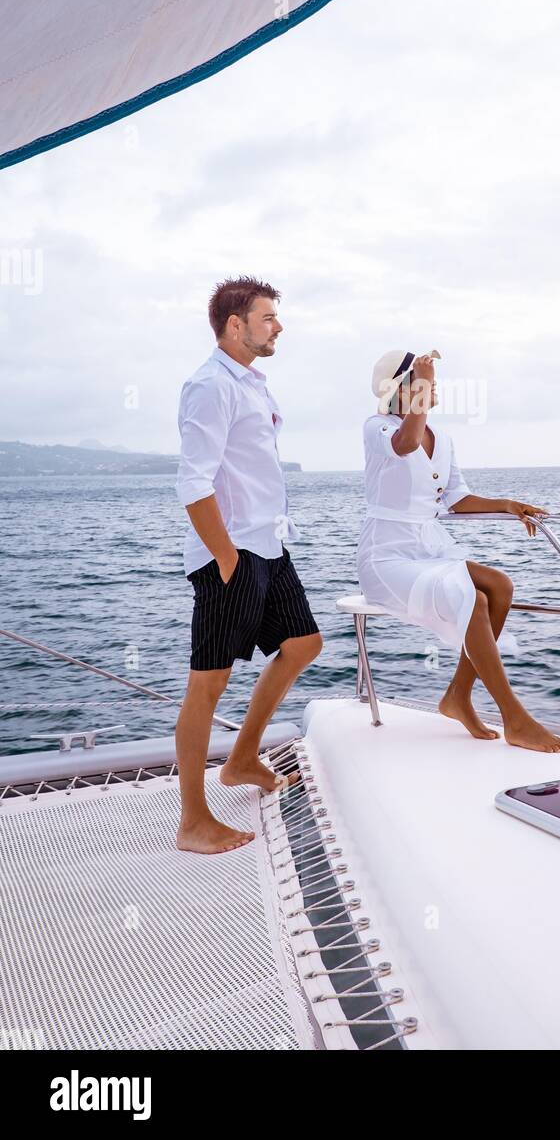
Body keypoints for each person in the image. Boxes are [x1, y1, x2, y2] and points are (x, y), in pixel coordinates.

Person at [357, 349, 560, 753]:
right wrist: (421, 382)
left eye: (431, 384)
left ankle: (458, 695)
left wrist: (507, 504)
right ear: (401, 389)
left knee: (499, 586)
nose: (432, 388)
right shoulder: (378, 427)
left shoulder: (444, 438)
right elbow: (405, 444)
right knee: (470, 598)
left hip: (427, 549)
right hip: (385, 557)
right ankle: (515, 717)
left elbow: (455, 498)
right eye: (423, 384)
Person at [174, 277, 323, 854]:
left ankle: (240, 759)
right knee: (208, 685)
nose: (278, 326)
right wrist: (226, 557)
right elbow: (193, 481)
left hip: (268, 546)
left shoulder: (251, 384)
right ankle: (193, 822)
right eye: (267, 318)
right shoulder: (211, 386)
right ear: (234, 325)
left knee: (304, 644)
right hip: (232, 555)